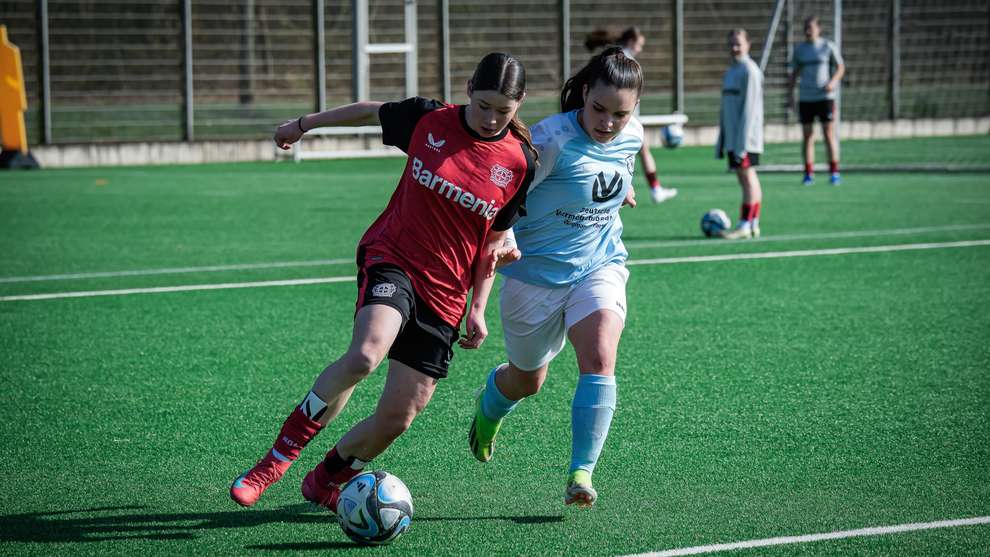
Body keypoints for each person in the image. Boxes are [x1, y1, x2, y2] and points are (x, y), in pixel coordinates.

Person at [230, 52, 536, 511]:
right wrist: (303, 124)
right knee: (365, 355)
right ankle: (275, 461)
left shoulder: (519, 162)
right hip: (394, 257)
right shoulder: (429, 119)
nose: (491, 119)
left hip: (448, 292)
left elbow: (491, 242)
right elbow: (369, 110)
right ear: (468, 88)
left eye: (503, 111)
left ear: (520, 105)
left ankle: (325, 479)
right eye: (484, 105)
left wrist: (477, 306)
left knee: (399, 415)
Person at [466, 46, 643, 509]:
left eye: (619, 115)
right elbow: (501, 197)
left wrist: (622, 192)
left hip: (600, 263)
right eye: (598, 109)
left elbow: (620, 165)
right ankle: (490, 407)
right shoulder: (549, 141)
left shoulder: (634, 135)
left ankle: (581, 472)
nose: (606, 123)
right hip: (535, 276)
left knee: (602, 354)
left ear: (635, 109)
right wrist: (492, 250)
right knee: (528, 381)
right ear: (584, 94)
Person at [586, 26, 677, 204]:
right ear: (632, 42)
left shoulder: (614, 55)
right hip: (625, 120)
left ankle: (649, 188)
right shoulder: (626, 60)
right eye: (640, 44)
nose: (640, 49)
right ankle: (649, 189)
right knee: (630, 152)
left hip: (626, 118)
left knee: (639, 151)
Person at [716, 29, 764, 240]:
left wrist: (742, 145)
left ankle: (746, 223)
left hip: (745, 140)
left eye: (739, 44)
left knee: (748, 178)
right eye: (731, 44)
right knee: (745, 179)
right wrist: (722, 141)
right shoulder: (730, 72)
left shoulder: (750, 71)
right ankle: (752, 223)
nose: (734, 48)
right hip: (733, 140)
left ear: (748, 45)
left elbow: (750, 111)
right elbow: (726, 111)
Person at [787, 16, 846, 186]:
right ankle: (808, 173)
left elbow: (840, 67)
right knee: (807, 136)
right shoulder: (800, 50)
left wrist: (833, 82)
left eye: (811, 27)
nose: (808, 30)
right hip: (806, 98)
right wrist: (791, 95)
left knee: (828, 133)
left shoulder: (827, 46)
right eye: (805, 27)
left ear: (818, 29)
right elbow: (794, 74)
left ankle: (834, 172)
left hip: (824, 97)